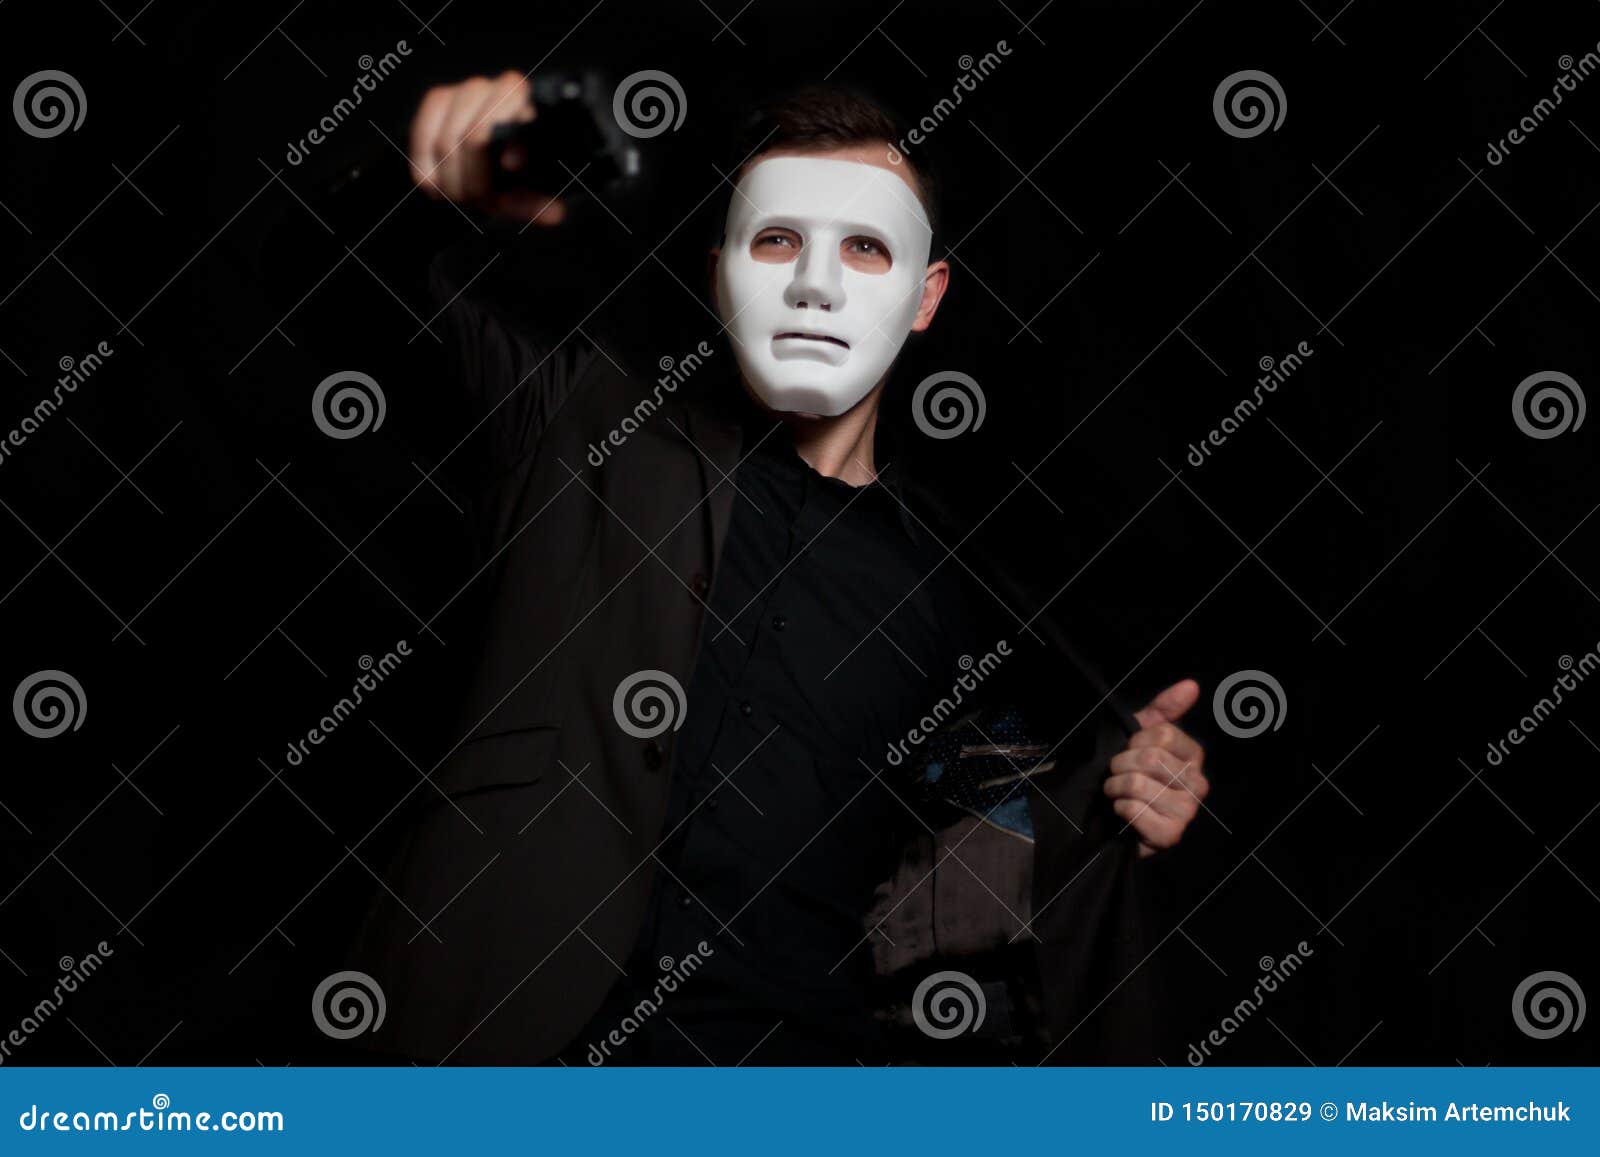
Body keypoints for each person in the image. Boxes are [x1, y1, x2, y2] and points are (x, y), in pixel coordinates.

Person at [347, 75, 1209, 1065]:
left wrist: (1125, 798)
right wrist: (420, 180)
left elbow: (982, 824)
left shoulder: (951, 594)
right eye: (775, 241)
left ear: (927, 296)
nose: (814, 283)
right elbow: (347, 288)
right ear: (719, 272)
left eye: (866, 247)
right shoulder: (581, 429)